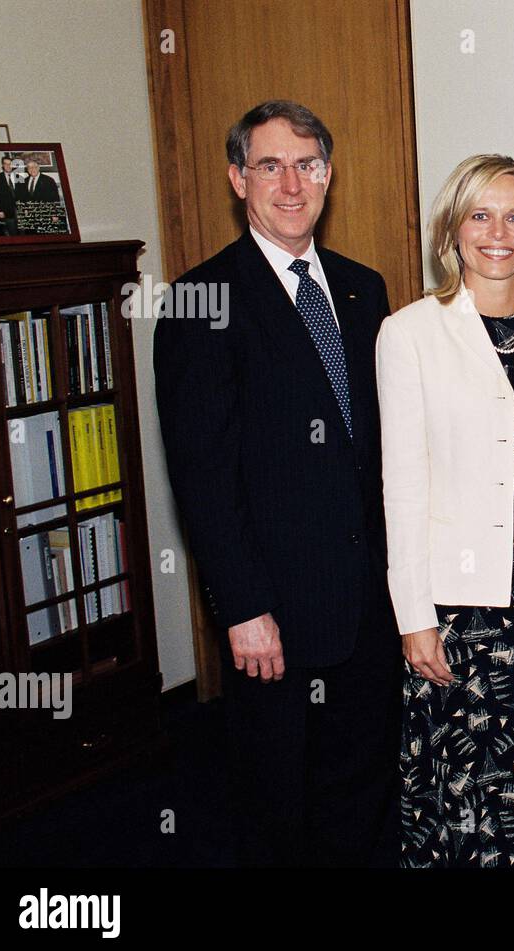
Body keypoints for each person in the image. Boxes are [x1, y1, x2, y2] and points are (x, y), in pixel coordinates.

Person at [154, 99, 400, 866]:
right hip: (276, 619)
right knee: (277, 808)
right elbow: (202, 478)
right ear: (238, 179)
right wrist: (243, 607)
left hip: (369, 604)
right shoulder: (201, 304)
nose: (291, 184)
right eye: (270, 165)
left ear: (329, 175)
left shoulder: (365, 290)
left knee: (364, 793)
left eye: (307, 165)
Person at [376, 154, 514, 867]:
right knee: (475, 800)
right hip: (464, 614)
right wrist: (414, 618)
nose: (498, 232)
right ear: (452, 227)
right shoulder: (409, 333)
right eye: (480, 214)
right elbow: (402, 486)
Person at [0, 156, 17, 234]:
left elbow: (23, 194)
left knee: (23, 231)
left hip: (20, 210)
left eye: (10, 164)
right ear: (2, 165)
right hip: (6, 210)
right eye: (5, 164)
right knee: (13, 232)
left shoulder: (18, 177)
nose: (8, 166)